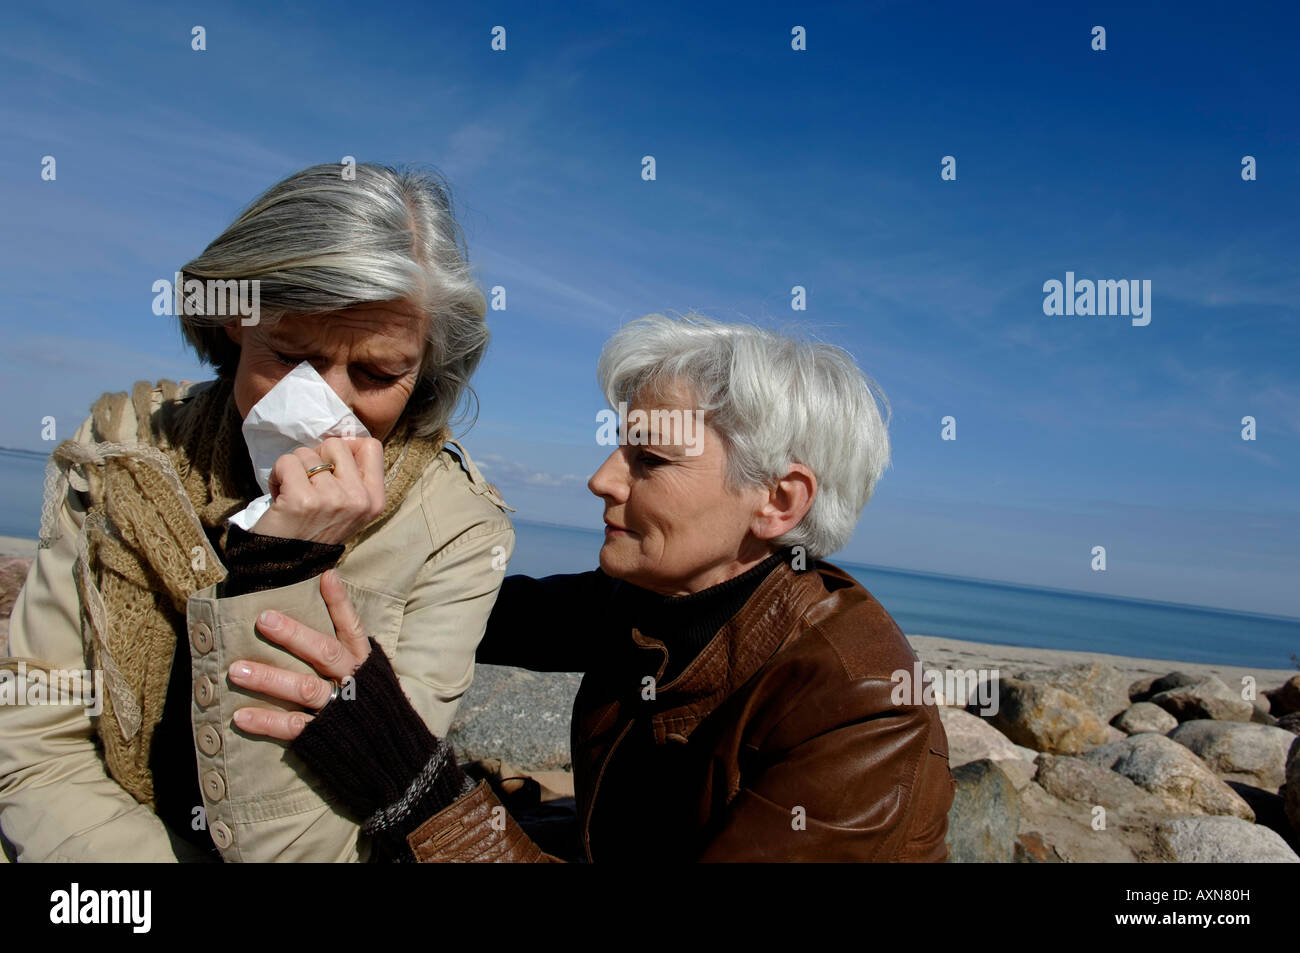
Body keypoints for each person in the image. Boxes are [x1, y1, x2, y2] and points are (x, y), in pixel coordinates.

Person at [232, 312, 956, 862]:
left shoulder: (861, 710)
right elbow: (482, 608)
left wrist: (417, 790)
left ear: (779, 501)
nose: (603, 479)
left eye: (648, 459)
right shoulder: (655, 600)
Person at [0, 162, 514, 862]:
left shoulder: (456, 532)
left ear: (424, 371)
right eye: (294, 356)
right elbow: (35, 745)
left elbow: (313, 846)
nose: (326, 410)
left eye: (375, 374)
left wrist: (281, 575)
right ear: (236, 322)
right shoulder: (123, 454)